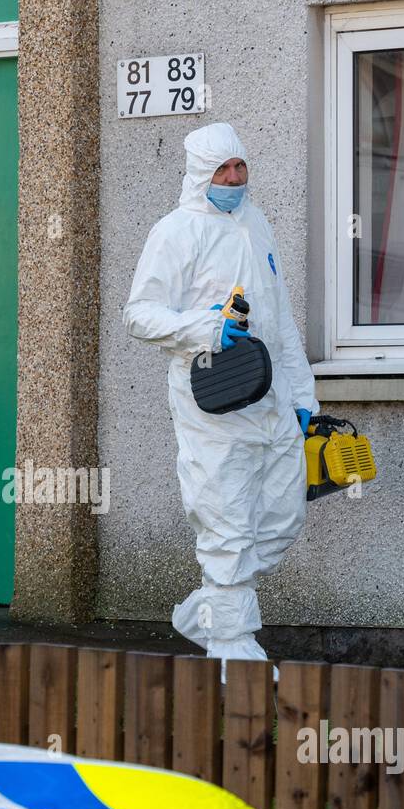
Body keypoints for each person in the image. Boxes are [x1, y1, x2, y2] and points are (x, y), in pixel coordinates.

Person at [123, 122, 316, 676]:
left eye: (240, 167)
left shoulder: (257, 226)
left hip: (272, 398)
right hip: (213, 403)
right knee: (226, 523)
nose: (233, 179)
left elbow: (280, 322)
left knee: (282, 519)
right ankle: (234, 649)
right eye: (222, 171)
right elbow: (139, 314)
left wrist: (303, 395)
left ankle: (208, 611)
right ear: (199, 176)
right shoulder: (176, 232)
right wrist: (204, 328)